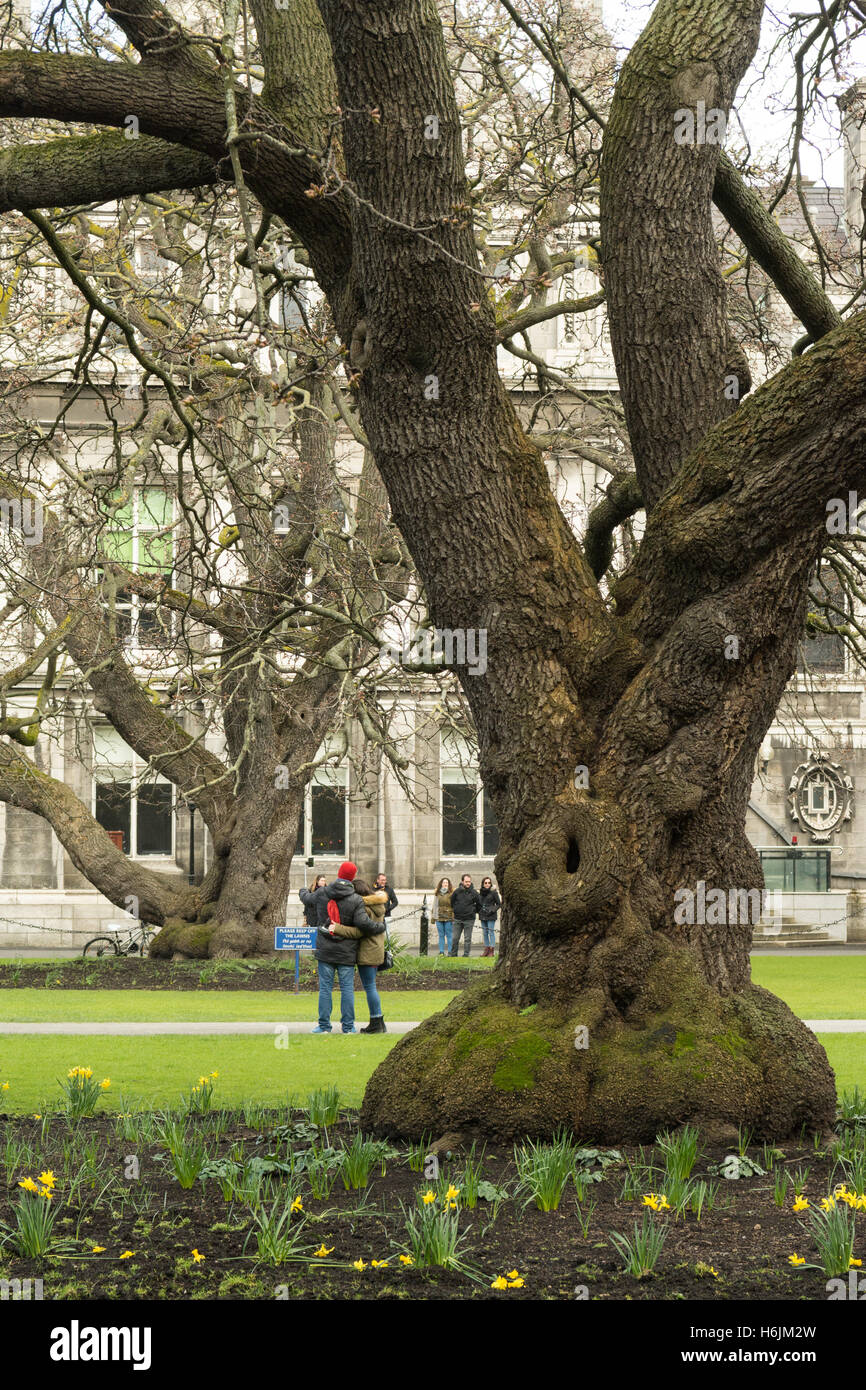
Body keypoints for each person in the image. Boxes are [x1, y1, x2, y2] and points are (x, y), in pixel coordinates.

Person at [309, 862, 384, 1033]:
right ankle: (348, 1027)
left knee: (325, 988)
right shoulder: (355, 899)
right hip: (347, 950)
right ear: (353, 876)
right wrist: (380, 927)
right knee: (347, 989)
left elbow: (307, 899)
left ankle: (323, 1025)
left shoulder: (323, 893)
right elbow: (363, 924)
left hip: (325, 948)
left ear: (339, 873)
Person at [330, 876, 388, 1033]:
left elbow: (360, 931)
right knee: (371, 986)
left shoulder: (364, 907)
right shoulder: (378, 905)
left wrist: (337, 928)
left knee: (370, 987)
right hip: (376, 949)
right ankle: (380, 1023)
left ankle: (376, 1021)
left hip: (367, 951)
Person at [450, 873, 481, 957]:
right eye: (466, 881)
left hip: (469, 919)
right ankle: (453, 954)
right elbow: (452, 902)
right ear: (462, 881)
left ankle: (466, 955)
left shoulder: (474, 892)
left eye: (469, 882)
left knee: (467, 939)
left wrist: (473, 911)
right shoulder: (456, 892)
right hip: (457, 919)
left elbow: (479, 904)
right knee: (455, 938)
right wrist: (456, 910)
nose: (468, 883)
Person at [478, 876, 501, 957]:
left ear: (491, 884)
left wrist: (492, 910)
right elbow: (479, 904)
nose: (487, 884)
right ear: (483, 884)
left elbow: (499, 904)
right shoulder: (480, 892)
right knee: (485, 933)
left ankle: (491, 950)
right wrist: (479, 910)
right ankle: (486, 950)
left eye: (489, 883)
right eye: (485, 883)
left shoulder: (494, 892)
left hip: (491, 915)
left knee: (491, 932)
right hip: (482, 915)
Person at [432, 877, 454, 955]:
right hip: (439, 917)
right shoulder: (437, 893)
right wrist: (433, 918)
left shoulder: (451, 893)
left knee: (449, 935)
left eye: (447, 883)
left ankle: (450, 951)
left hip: (448, 917)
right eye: (444, 882)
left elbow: (454, 906)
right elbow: (435, 905)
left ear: (449, 884)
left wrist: (453, 917)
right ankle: (441, 951)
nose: (445, 884)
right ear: (441, 884)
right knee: (441, 935)